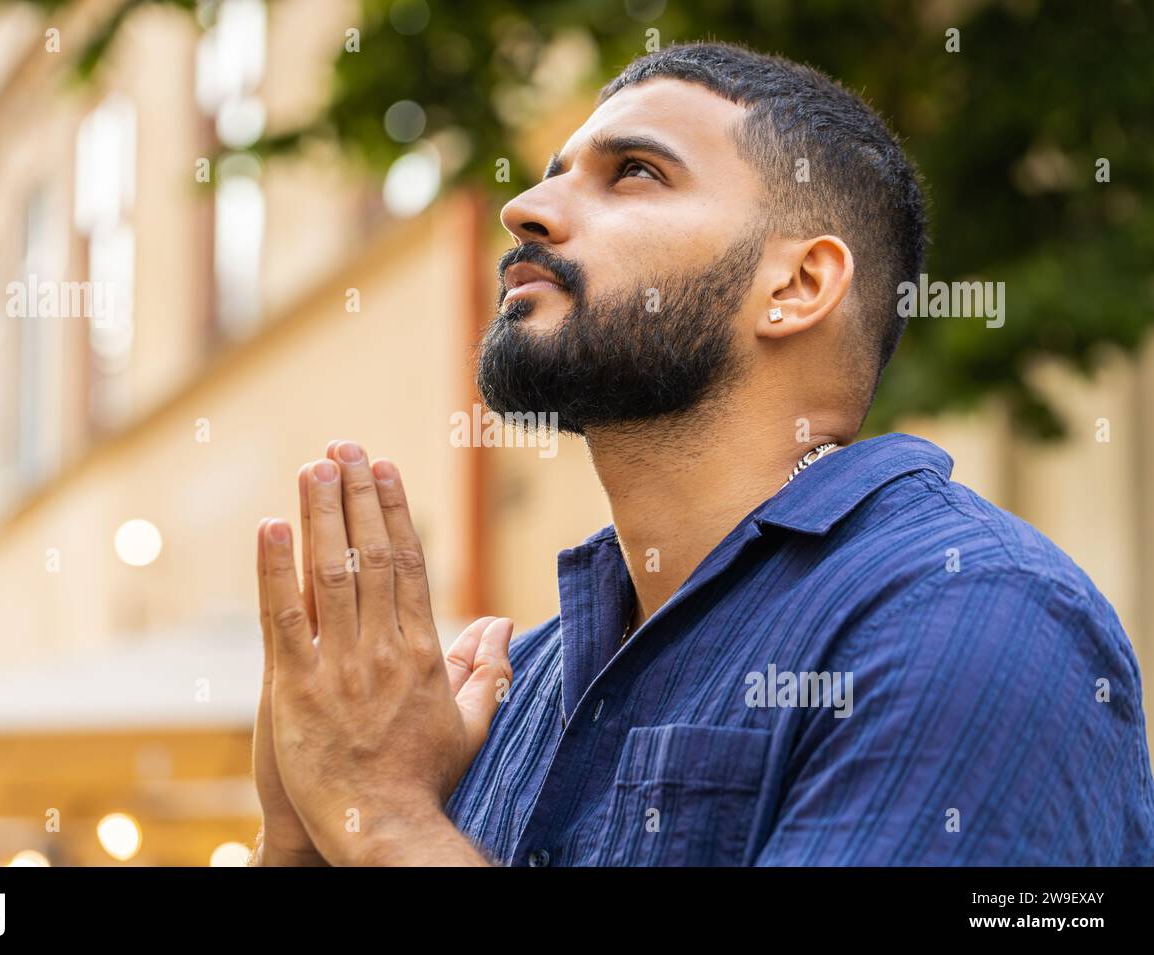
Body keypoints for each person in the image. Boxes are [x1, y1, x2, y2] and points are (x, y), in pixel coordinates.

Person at [248, 42, 1154, 866]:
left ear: (797, 286)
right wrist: (301, 837)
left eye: (634, 173)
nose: (525, 210)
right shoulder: (522, 690)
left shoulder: (974, 617)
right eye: (550, 175)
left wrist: (390, 819)